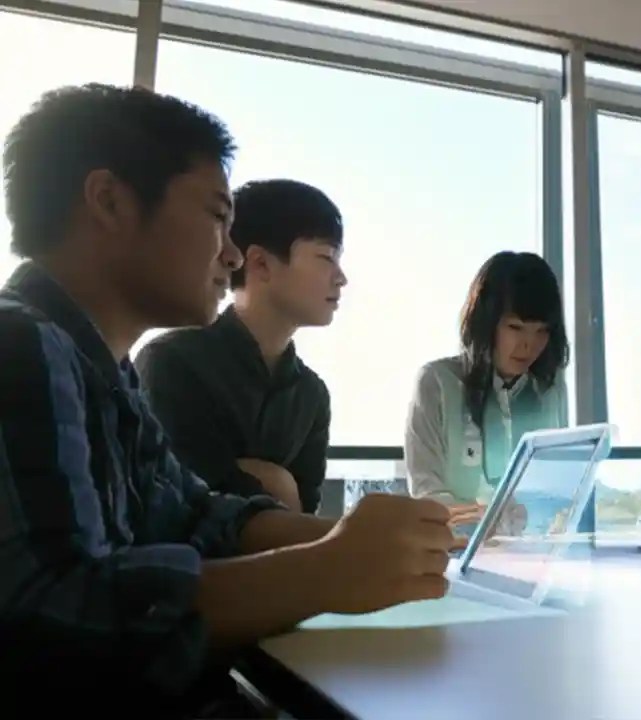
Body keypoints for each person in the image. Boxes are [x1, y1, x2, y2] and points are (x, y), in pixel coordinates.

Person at [0, 84, 453, 716]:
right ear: (109, 201)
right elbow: (55, 618)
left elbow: (198, 515)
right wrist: (327, 570)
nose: (233, 253)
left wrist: (360, 545)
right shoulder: (21, 344)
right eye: (217, 215)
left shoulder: (106, 371)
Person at [136, 178, 346, 515]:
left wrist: (271, 483)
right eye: (326, 257)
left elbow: (303, 518)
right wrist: (278, 485)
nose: (340, 277)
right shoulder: (172, 362)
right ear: (260, 263)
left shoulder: (311, 394)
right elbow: (186, 503)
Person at [404, 251, 569, 527]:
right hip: (450, 556)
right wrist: (485, 519)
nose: (529, 345)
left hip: (527, 557)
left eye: (541, 331)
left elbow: (558, 488)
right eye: (516, 327)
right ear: (486, 323)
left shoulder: (549, 392)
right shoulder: (437, 383)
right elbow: (426, 494)